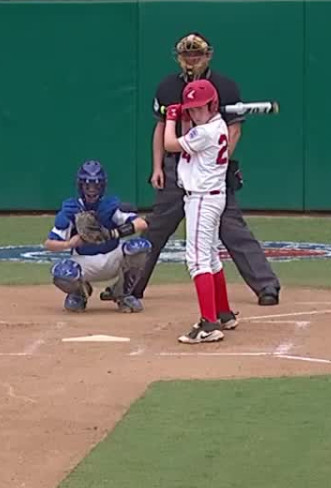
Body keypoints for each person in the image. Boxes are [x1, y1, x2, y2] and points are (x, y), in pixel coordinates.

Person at [133, 32, 281, 306]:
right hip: (175, 165)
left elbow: (234, 130)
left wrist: (213, 161)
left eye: (197, 54)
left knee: (232, 229)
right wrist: (157, 167)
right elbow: (160, 130)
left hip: (211, 172)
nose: (192, 60)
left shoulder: (225, 86)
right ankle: (130, 286)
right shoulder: (167, 87)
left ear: (207, 55)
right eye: (187, 54)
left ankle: (266, 286)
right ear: (179, 58)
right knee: (157, 228)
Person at [165, 80, 234, 344]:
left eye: (199, 108)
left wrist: (171, 118)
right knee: (211, 256)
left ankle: (209, 324)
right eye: (191, 109)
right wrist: (184, 117)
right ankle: (223, 313)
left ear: (212, 104)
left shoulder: (206, 132)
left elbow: (171, 144)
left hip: (203, 199)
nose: (195, 113)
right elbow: (185, 142)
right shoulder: (211, 127)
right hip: (210, 197)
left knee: (196, 261)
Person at [44, 160, 150, 313]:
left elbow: (142, 224)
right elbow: (49, 244)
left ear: (103, 186)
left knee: (140, 247)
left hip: (113, 257)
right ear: (80, 186)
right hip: (84, 262)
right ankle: (80, 292)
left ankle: (122, 292)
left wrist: (113, 233)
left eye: (96, 185)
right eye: (88, 185)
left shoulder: (110, 206)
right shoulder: (71, 209)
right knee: (61, 273)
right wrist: (70, 243)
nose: (92, 190)